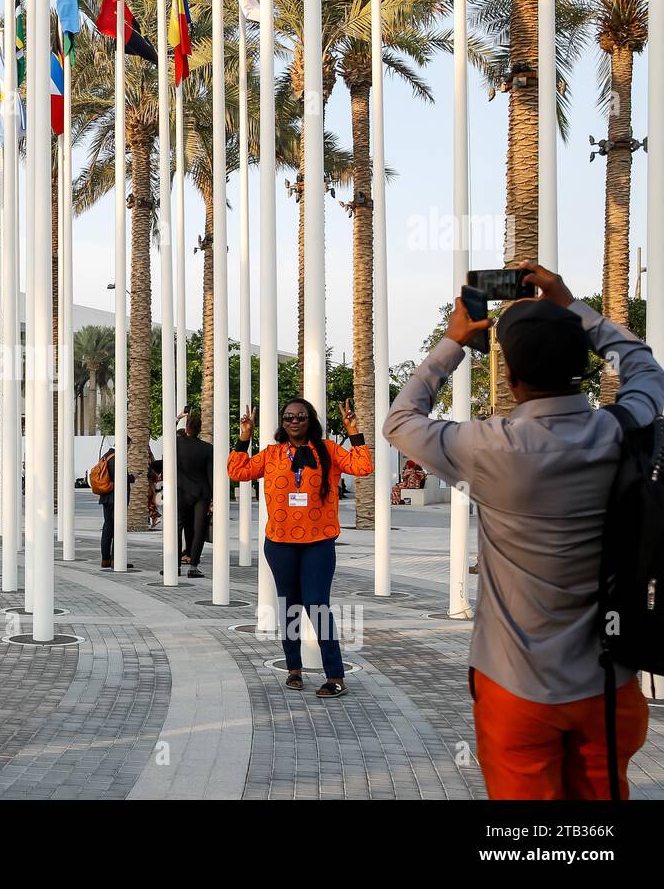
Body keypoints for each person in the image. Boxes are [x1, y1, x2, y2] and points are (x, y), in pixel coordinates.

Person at [384, 260, 664, 799]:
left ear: (510, 378)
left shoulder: (488, 447)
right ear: (581, 367)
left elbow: (401, 420)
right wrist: (571, 305)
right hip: (609, 681)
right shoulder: (621, 429)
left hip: (517, 687)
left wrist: (453, 342)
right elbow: (642, 366)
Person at [230, 398, 372, 697]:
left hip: (318, 542)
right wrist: (245, 436)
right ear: (282, 422)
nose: (295, 421)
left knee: (317, 604)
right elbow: (237, 471)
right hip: (280, 543)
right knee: (289, 605)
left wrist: (354, 432)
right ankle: (293, 669)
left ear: (311, 421)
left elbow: (363, 467)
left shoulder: (328, 451)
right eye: (289, 417)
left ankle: (335, 674)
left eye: (301, 417)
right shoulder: (271, 454)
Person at [175, 410, 213, 578]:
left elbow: (167, 434)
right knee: (199, 530)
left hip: (181, 491)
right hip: (201, 493)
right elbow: (211, 475)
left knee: (178, 527)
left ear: (187, 427)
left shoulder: (177, 444)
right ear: (200, 429)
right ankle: (193, 566)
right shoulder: (207, 449)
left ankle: (174, 565)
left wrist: (177, 418)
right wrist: (213, 498)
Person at [99, 437, 135, 569]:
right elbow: (119, 477)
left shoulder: (107, 455)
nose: (128, 450)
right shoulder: (116, 457)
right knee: (117, 527)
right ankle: (116, 559)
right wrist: (132, 477)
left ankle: (106, 559)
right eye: (129, 447)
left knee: (108, 527)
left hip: (106, 497)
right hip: (115, 498)